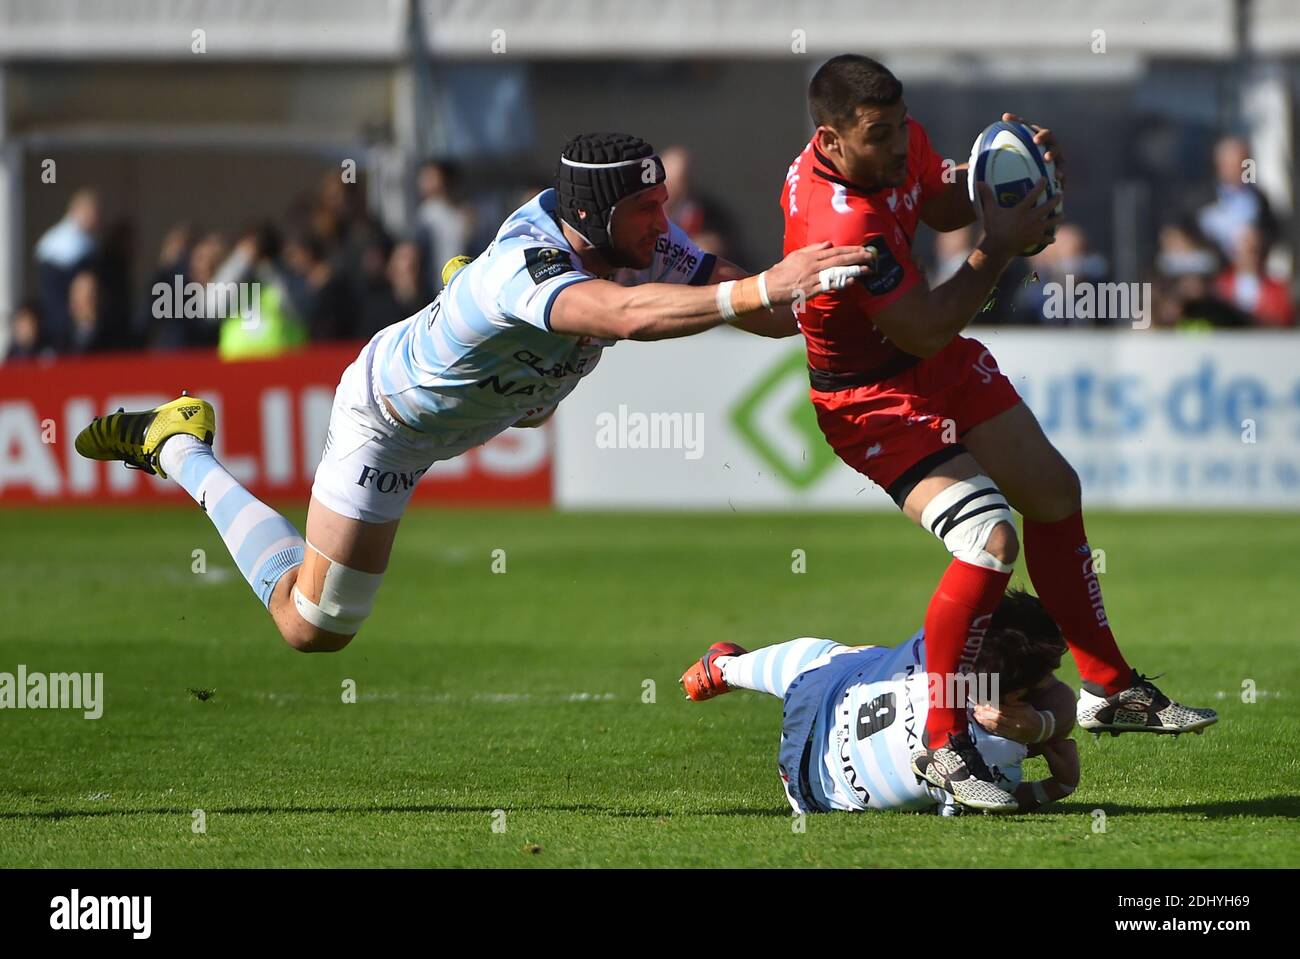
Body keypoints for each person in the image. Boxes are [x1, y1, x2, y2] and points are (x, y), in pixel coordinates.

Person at [73, 132, 870, 658]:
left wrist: (850, 301)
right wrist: (770, 282)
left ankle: (463, 318)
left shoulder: (636, 233)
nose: (666, 223)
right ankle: (180, 442)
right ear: (592, 214)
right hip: (386, 419)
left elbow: (753, 311)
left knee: (548, 380)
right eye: (648, 209)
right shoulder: (527, 260)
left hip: (494, 401)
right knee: (313, 628)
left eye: (663, 205)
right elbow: (628, 316)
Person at [780, 55, 1216, 812]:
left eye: (896, 128)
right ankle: (943, 744)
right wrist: (1003, 243)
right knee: (988, 538)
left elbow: (944, 206)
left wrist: (1006, 171)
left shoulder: (897, 139)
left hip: (930, 360)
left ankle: (1110, 688)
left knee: (1053, 492)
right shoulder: (840, 220)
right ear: (832, 138)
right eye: (877, 136)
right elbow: (921, 327)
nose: (894, 145)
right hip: (870, 396)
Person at [681, 589, 1080, 815]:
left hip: (820, 691)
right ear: (1013, 694)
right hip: (812, 791)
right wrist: (1058, 784)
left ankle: (727, 669)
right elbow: (995, 802)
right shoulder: (998, 754)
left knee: (842, 655)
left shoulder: (937, 637)